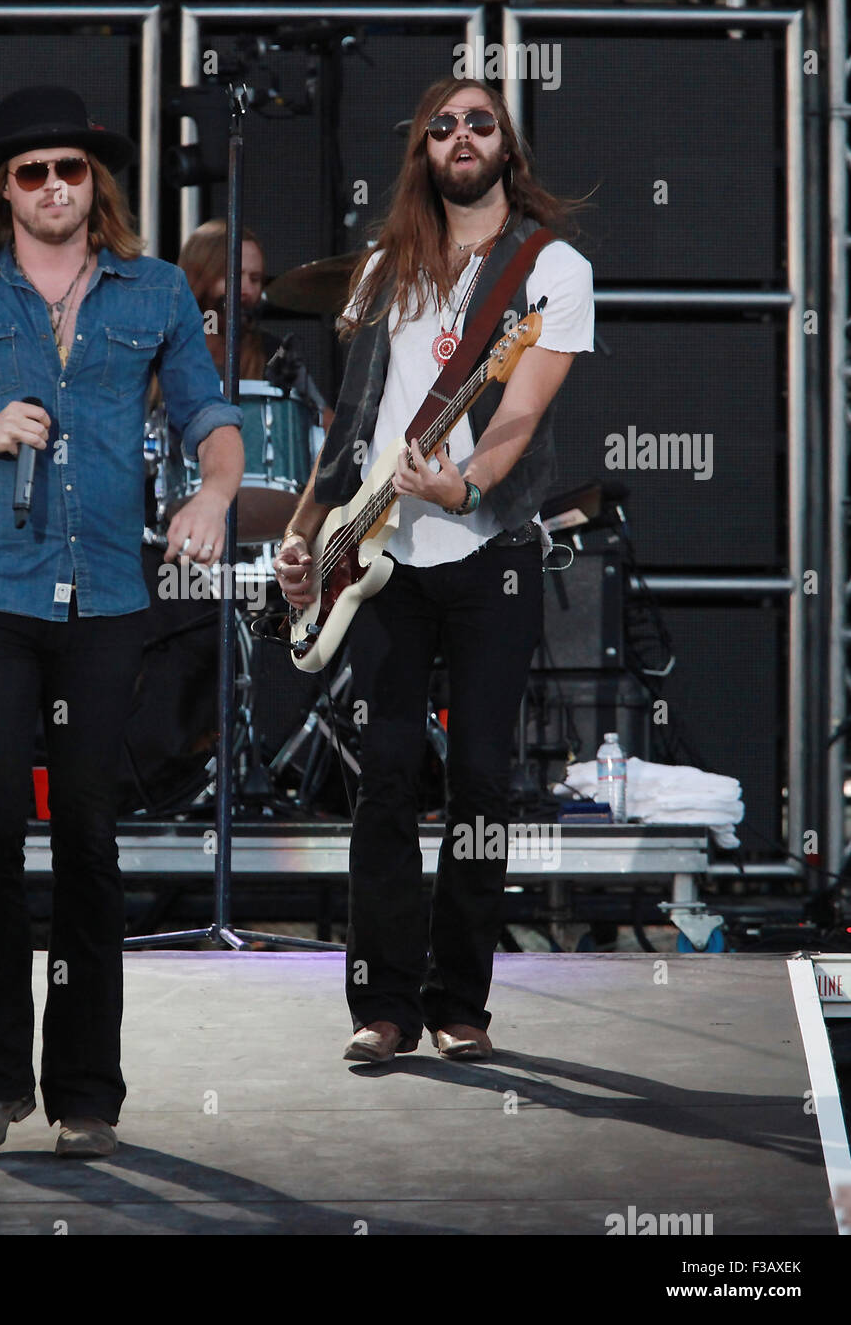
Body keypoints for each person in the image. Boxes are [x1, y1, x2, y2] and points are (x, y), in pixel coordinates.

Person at [0, 86, 244, 1157]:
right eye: (30, 172)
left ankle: (86, 1093)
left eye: (68, 170)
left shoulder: (157, 289)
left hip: (109, 604)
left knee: (88, 836)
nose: (50, 187)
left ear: (95, 183)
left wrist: (213, 495)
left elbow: (212, 415)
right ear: (5, 187)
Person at [273, 76, 594, 1064]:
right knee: (383, 777)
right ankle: (382, 1006)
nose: (459, 134)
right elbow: (350, 426)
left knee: (484, 779)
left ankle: (462, 1001)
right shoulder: (382, 272)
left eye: (478, 122)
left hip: (489, 551)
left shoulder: (552, 270)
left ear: (507, 147)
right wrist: (304, 537)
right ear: (422, 152)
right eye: (440, 125)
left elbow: (518, 421)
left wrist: (461, 488)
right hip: (382, 563)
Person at [175, 219, 330, 430]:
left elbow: (327, 424)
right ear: (200, 279)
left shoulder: (273, 354)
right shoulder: (165, 348)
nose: (246, 289)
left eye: (255, 279)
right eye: (235, 275)